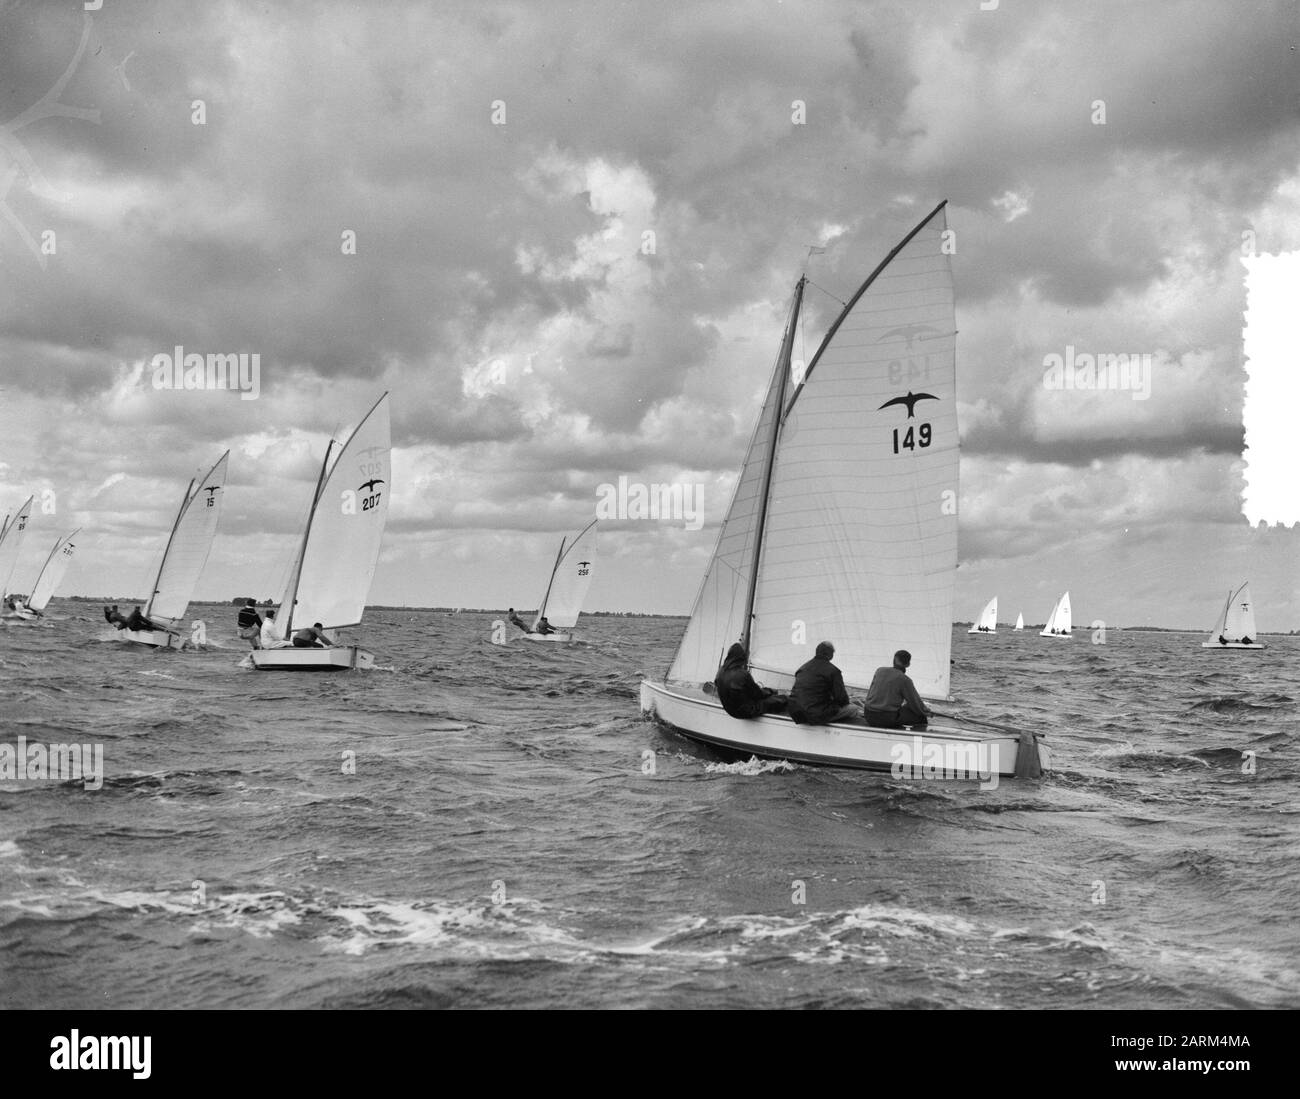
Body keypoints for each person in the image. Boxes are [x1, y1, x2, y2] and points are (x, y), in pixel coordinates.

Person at [788, 641, 861, 725]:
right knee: (854, 709)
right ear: (830, 655)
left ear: (816, 651)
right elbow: (842, 699)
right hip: (815, 714)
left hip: (796, 712)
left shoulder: (802, 668)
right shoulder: (833, 671)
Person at [714, 643, 788, 718]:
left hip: (730, 710)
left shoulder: (721, 671)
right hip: (745, 712)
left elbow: (717, 683)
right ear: (741, 657)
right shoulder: (742, 674)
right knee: (782, 699)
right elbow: (758, 694)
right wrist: (771, 692)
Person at [862, 650, 932, 729]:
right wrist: (927, 712)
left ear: (894, 660)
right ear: (908, 664)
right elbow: (915, 703)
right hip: (886, 719)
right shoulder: (905, 679)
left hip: (868, 715)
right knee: (920, 716)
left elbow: (871, 692)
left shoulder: (879, 671)